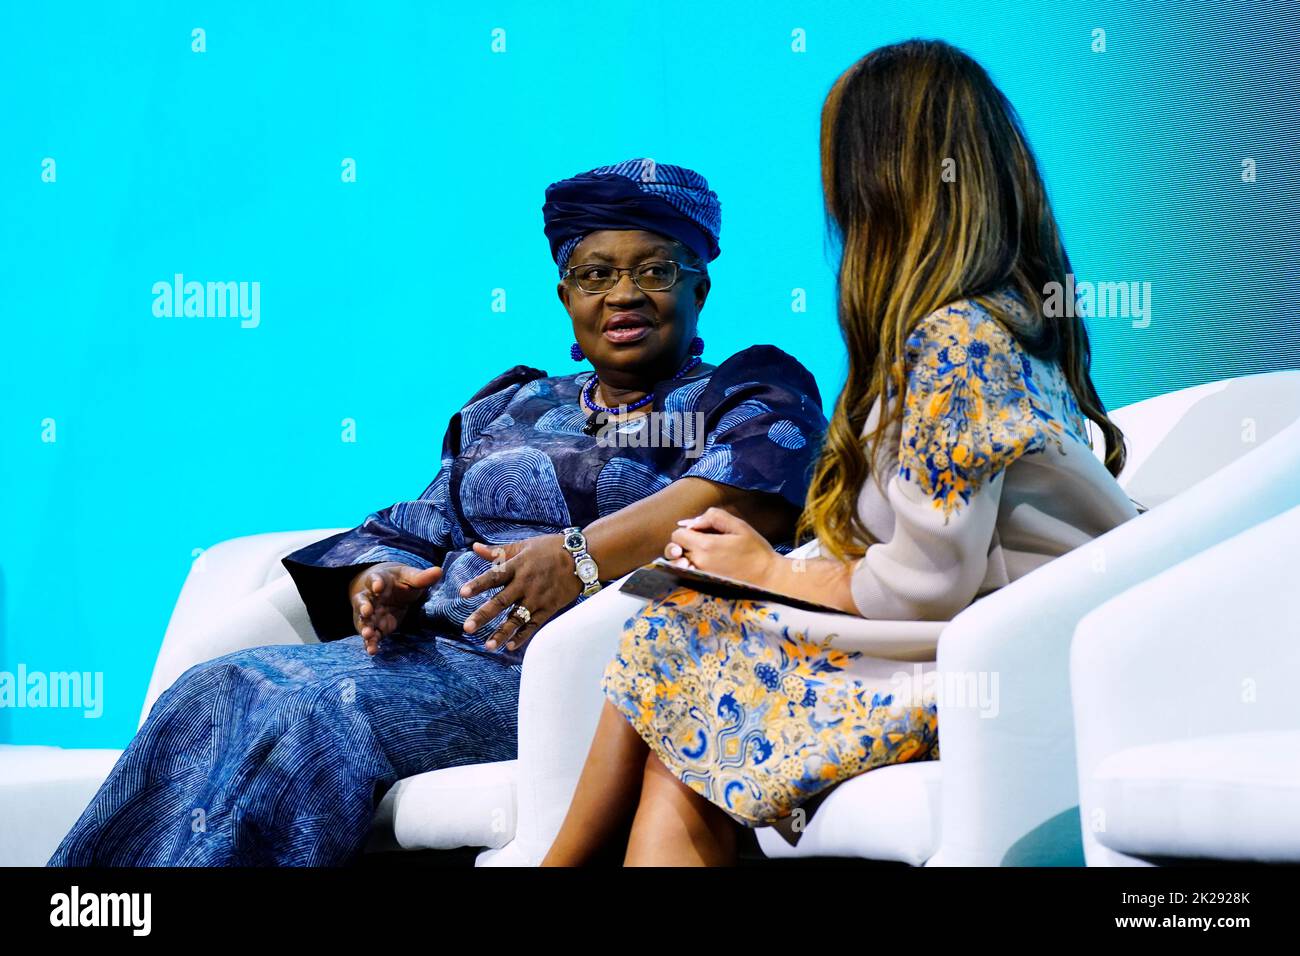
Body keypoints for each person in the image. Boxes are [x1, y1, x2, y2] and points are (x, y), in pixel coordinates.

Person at [47, 158, 828, 866]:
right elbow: (416, 522)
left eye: (655, 270)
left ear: (700, 289)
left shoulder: (748, 389)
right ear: (565, 298)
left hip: (561, 671)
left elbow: (737, 494)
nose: (623, 294)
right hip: (426, 650)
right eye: (595, 275)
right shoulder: (513, 402)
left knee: (317, 707)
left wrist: (578, 557)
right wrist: (379, 580)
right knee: (219, 683)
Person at [542, 41, 1143, 867]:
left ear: (881, 181)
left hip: (1005, 670)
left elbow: (927, 580)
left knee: (677, 652)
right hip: (968, 641)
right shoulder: (974, 328)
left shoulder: (957, 341)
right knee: (678, 656)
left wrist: (775, 573)